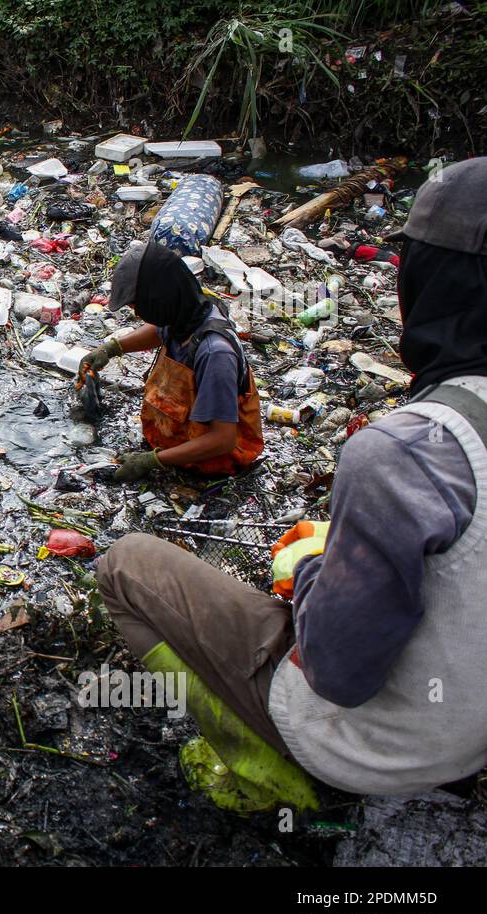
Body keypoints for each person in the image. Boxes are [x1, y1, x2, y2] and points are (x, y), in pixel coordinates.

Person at [94, 157, 487, 812]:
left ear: (429, 284)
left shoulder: (403, 451)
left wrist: (310, 572)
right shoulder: (180, 324)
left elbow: (335, 670)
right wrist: (109, 349)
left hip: (376, 743)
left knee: (124, 565)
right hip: (467, 731)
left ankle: (265, 767)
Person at [78, 241, 263, 482]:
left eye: (138, 306)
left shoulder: (215, 354)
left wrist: (152, 461)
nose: (137, 315)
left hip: (213, 462)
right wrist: (113, 348)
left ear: (159, 298)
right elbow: (160, 330)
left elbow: (223, 440)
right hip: (176, 439)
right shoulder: (186, 311)